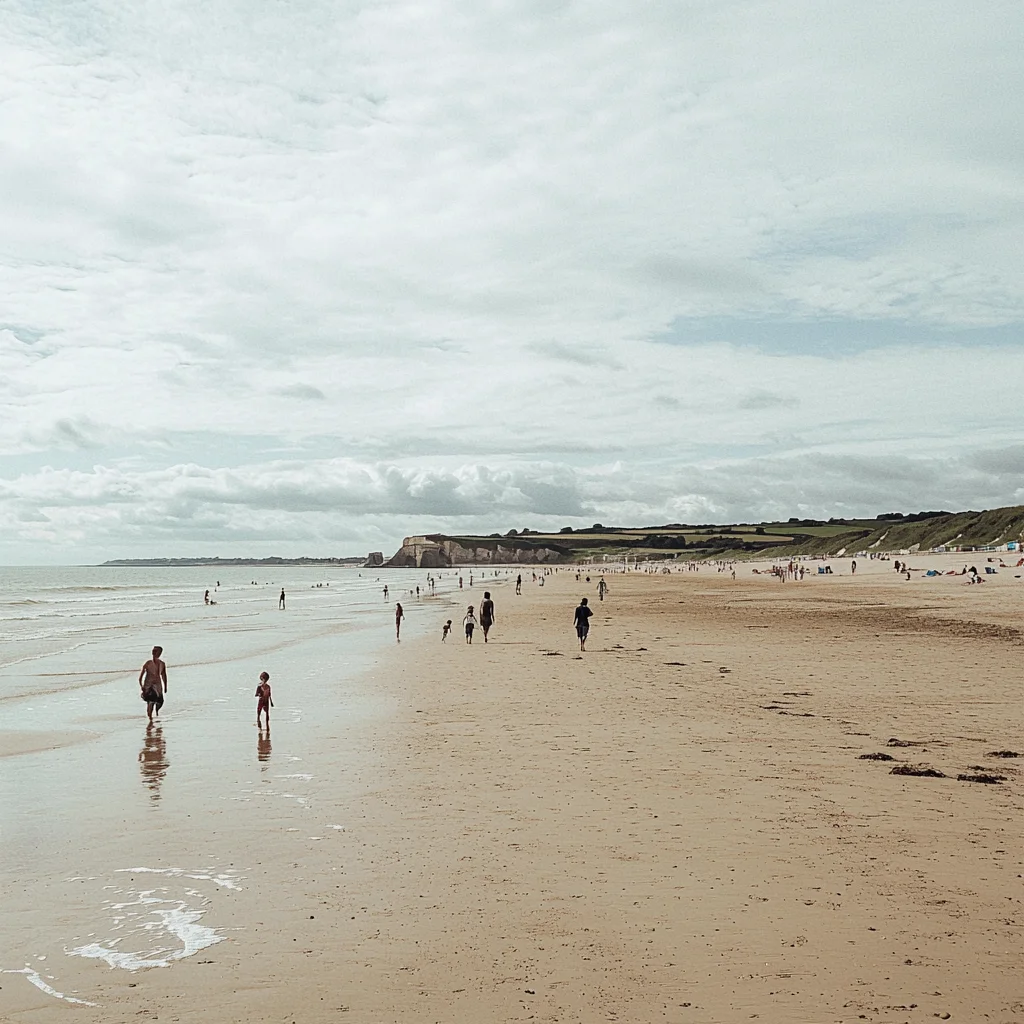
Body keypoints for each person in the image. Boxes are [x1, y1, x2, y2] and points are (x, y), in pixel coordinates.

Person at [139, 646, 168, 721]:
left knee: (159, 701)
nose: (156, 654)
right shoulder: (148, 663)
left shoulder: (162, 664)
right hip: (148, 685)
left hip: (158, 686)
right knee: (150, 701)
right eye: (155, 652)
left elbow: (164, 675)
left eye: (158, 652)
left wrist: (165, 686)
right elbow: (141, 676)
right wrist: (141, 685)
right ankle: (150, 717)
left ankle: (156, 713)